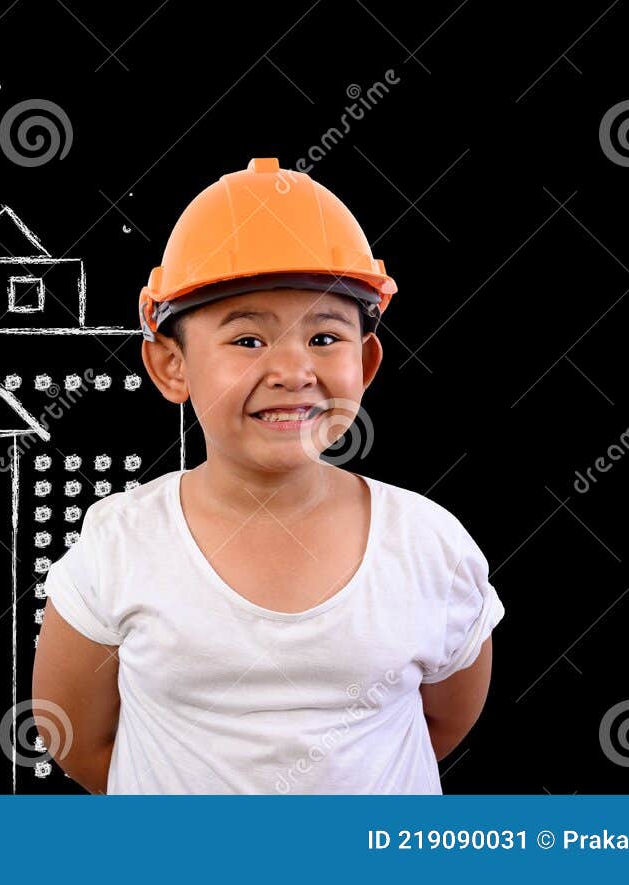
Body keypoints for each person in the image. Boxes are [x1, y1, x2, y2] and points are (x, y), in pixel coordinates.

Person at [34, 157, 504, 793]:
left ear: (365, 364)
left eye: (325, 338)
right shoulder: (120, 541)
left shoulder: (427, 544)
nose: (292, 370)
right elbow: (78, 739)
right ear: (172, 366)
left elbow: (439, 724)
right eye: (248, 340)